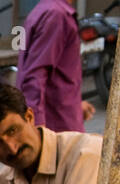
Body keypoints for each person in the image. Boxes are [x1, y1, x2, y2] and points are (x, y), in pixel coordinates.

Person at [16, 0, 95, 133]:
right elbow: (35, 76)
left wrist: (75, 106)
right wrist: (39, 130)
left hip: (61, 116)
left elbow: (56, 75)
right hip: (56, 128)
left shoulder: (46, 10)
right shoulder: (56, 15)